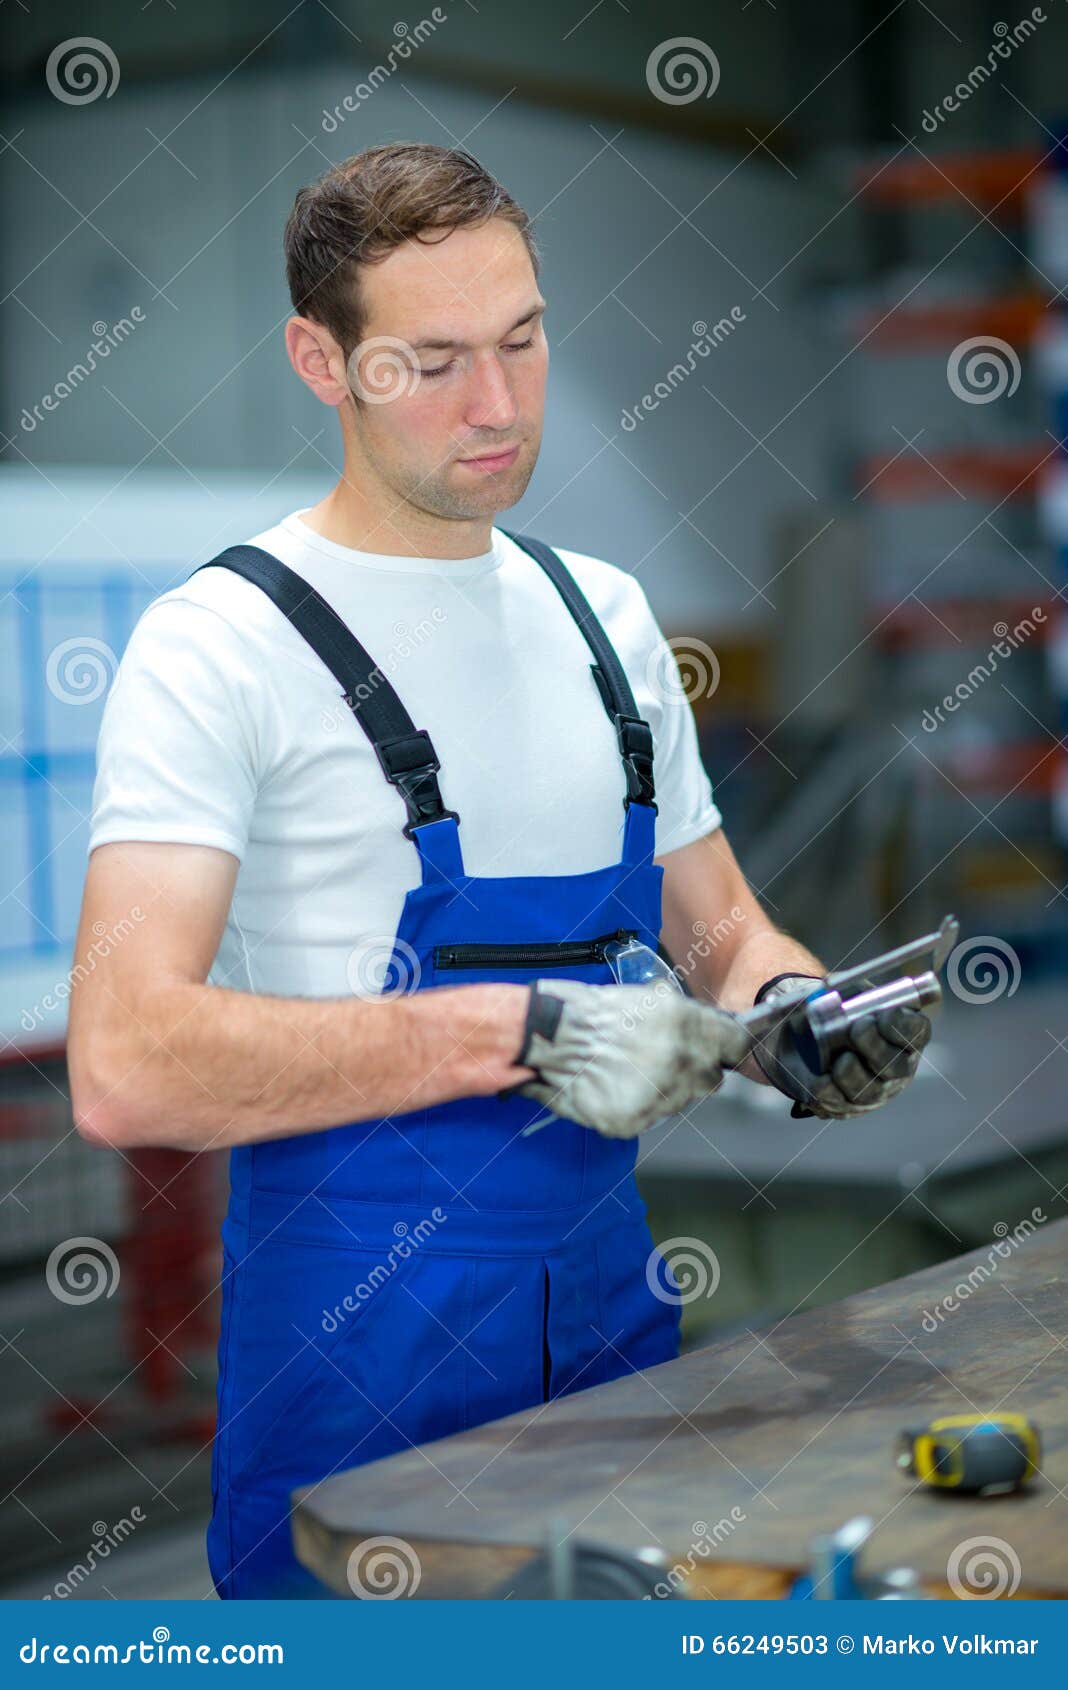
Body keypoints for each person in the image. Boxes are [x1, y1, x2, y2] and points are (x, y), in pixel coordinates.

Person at [68, 143, 931, 1599]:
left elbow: (715, 926)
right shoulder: (219, 644)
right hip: (358, 1352)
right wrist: (517, 1032)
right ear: (319, 359)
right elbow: (124, 1060)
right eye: (434, 361)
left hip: (612, 1319)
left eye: (524, 341)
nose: (499, 404)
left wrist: (795, 1008)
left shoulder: (603, 618)